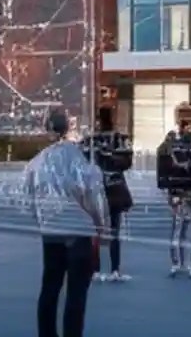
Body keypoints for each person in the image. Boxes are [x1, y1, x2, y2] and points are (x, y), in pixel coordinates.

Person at [22, 109, 109, 337]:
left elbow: (28, 200)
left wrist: (41, 219)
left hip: (50, 230)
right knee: (76, 293)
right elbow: (91, 194)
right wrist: (101, 226)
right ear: (68, 127)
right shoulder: (77, 157)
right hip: (78, 230)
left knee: (50, 286)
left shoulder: (36, 163)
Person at [80, 106, 134, 282]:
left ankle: (95, 269)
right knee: (114, 231)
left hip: (95, 189)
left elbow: (81, 161)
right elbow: (127, 162)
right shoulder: (119, 139)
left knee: (95, 230)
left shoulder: (90, 141)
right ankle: (115, 269)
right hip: (115, 188)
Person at [157, 104, 191, 278]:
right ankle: (185, 263)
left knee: (183, 227)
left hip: (185, 188)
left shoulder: (186, 140)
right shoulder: (179, 140)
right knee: (186, 228)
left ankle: (182, 263)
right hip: (187, 188)